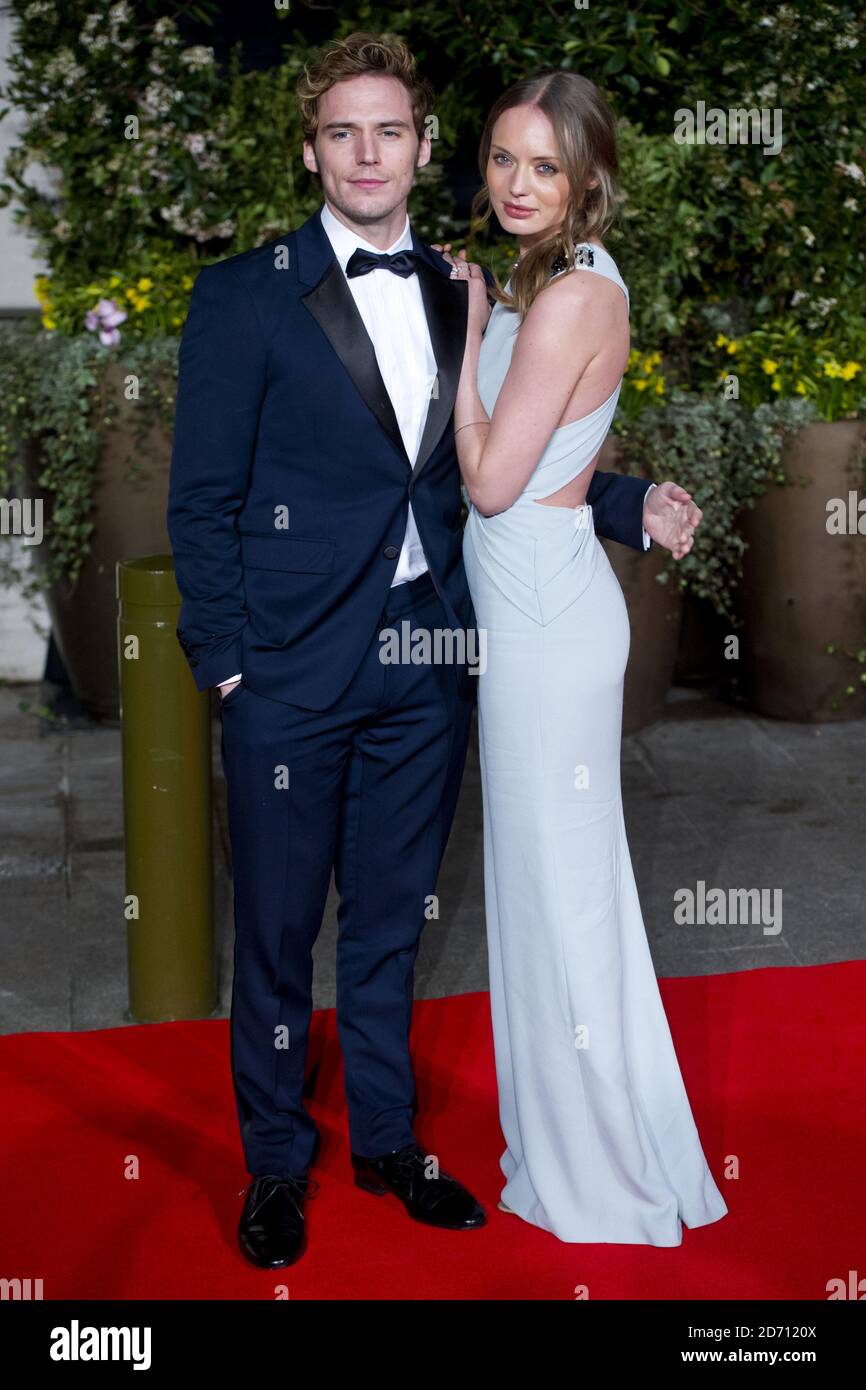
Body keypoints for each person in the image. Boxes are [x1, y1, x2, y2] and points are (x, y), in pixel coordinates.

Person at [167, 32, 698, 1269]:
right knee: (277, 932)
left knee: (396, 923)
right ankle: (276, 1165)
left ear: (417, 148)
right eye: (341, 132)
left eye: (389, 131)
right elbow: (200, 501)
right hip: (290, 671)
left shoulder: (467, 285)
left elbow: (503, 462)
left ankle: (391, 1145)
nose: (367, 153)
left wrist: (625, 505)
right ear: (312, 149)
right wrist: (229, 662)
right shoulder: (244, 295)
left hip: (430, 658)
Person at [446, 70, 728, 1244]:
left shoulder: (560, 298)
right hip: (540, 601)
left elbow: (491, 477)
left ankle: (600, 1169)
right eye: (502, 159)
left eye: (543, 166)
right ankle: (592, 1138)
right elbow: (558, 462)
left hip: (543, 623)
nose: (515, 184)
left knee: (556, 896)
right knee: (555, 890)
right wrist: (632, 500)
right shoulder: (565, 276)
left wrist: (463, 343)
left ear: (587, 179)